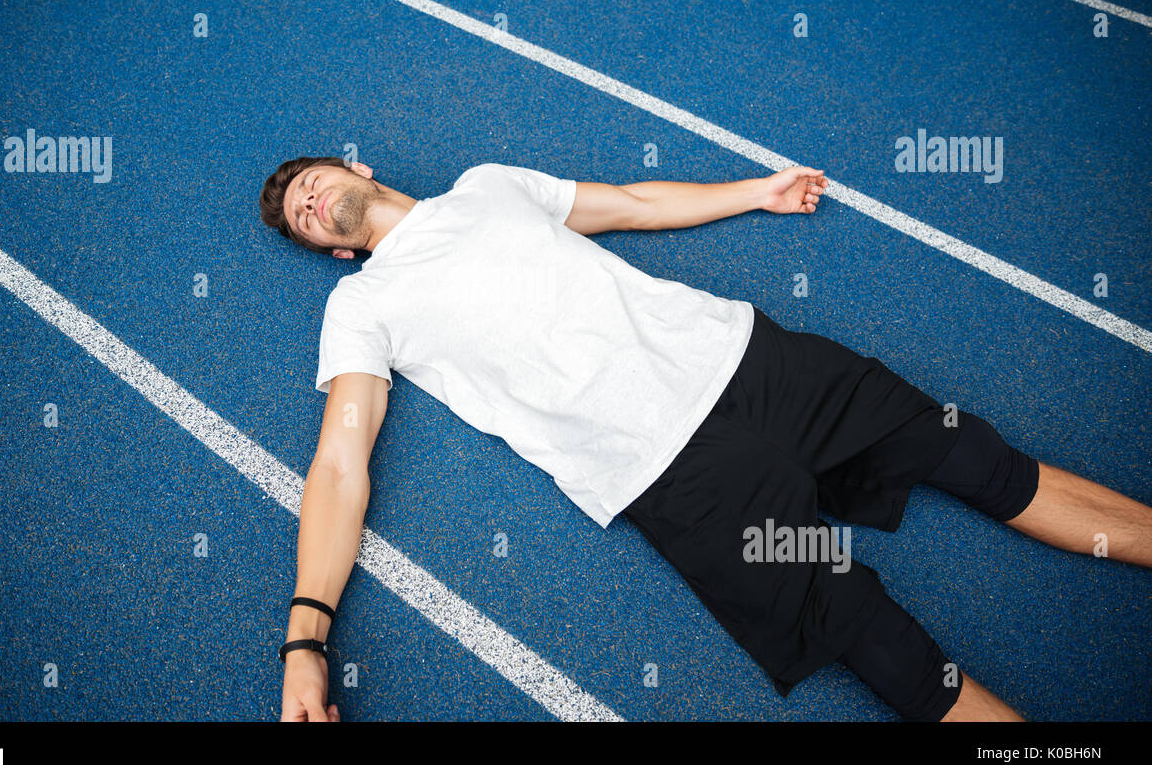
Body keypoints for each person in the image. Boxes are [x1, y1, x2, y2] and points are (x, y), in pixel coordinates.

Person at [258, 156, 1152, 722]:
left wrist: (755, 193)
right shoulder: (361, 306)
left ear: (355, 166)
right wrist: (307, 639)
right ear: (333, 250)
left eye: (308, 181)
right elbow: (340, 463)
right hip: (670, 476)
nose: (307, 199)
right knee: (877, 642)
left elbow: (634, 203)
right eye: (300, 215)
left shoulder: (489, 187)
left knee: (978, 459)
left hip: (746, 360)